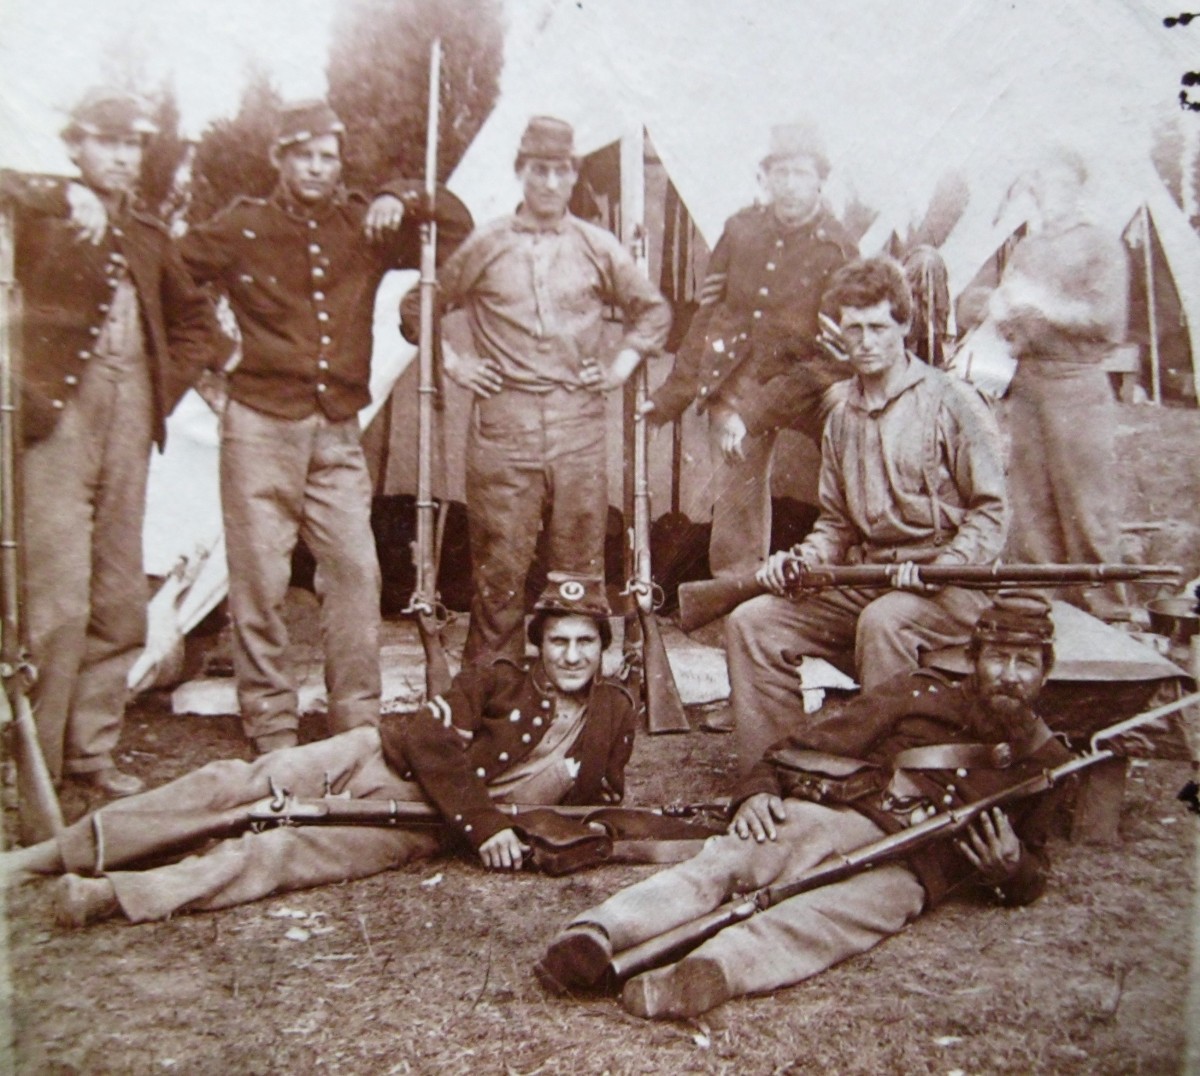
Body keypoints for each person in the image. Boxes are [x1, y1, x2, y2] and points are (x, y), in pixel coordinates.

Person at [536, 592, 1072, 1020]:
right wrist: (760, 790)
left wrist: (1012, 869)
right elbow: (801, 747)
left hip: (915, 867)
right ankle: (597, 934)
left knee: (822, 923)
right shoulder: (916, 694)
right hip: (842, 816)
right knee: (730, 862)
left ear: (1044, 674)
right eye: (999, 658)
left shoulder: (1046, 762)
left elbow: (1034, 867)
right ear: (974, 661)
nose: (1010, 674)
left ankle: (708, 973)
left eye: (1026, 663)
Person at [1, 577, 635, 927]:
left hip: (422, 824)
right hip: (375, 758)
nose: (572, 656)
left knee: (283, 851)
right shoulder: (497, 679)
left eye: (585, 642)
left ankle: (117, 894)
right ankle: (46, 856)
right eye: (559, 642)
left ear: (602, 650)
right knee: (238, 781)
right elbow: (427, 737)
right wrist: (488, 825)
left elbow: (602, 807)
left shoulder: (613, 715)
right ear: (538, 648)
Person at [177, 100, 473, 756]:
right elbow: (172, 277)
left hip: (337, 433)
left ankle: (356, 724)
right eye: (304, 155)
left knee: (356, 573)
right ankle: (272, 725)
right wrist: (214, 356)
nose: (317, 168)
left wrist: (400, 194)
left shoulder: (360, 224)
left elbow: (455, 222)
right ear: (280, 159)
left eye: (328, 157)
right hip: (258, 428)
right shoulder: (243, 227)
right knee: (259, 581)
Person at [0, 87, 227, 798]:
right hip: (55, 427)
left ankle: (90, 753)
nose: (123, 157)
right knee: (55, 603)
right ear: (75, 145)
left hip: (131, 427)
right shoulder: (42, 215)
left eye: (132, 144)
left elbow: (200, 325)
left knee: (121, 598)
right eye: (107, 142)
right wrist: (56, 195)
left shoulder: (152, 235)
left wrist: (161, 388)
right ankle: (25, 758)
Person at [725, 256, 1008, 771]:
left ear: (904, 325)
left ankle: (883, 787)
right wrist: (801, 562)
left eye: (879, 326)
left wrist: (941, 567)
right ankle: (779, 774)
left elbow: (990, 513)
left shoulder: (954, 401)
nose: (867, 341)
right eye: (854, 329)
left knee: (884, 623)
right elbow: (835, 523)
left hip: (952, 587)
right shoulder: (842, 417)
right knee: (752, 622)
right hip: (870, 577)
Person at [420, 115, 671, 666]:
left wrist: (620, 364)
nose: (550, 184)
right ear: (520, 173)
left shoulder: (595, 246)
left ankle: (577, 707)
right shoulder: (486, 243)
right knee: (500, 573)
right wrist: (455, 363)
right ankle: (492, 700)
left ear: (573, 175)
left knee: (579, 571)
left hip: (577, 424)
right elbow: (419, 305)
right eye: (539, 171)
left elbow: (651, 312)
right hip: (502, 426)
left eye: (561, 171)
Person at [645, 122, 855, 577]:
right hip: (747, 379)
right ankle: (735, 591)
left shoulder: (838, 250)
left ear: (820, 179)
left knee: (849, 424)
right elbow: (708, 318)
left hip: (814, 384)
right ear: (766, 178)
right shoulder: (741, 231)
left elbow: (835, 359)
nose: (790, 185)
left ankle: (852, 568)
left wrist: (756, 412)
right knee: (736, 448)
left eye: (801, 174)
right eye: (780, 173)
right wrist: (669, 398)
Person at [984, 148, 1131, 620]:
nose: (1052, 196)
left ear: (1080, 190)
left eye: (1063, 186)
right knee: (1030, 506)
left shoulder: (1101, 245)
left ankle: (1108, 614)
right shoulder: (1027, 248)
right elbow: (1010, 314)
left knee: (1086, 506)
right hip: (1030, 385)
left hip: (1077, 385)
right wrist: (1001, 314)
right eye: (1043, 186)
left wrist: (1043, 305)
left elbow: (1108, 321)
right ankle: (1037, 611)